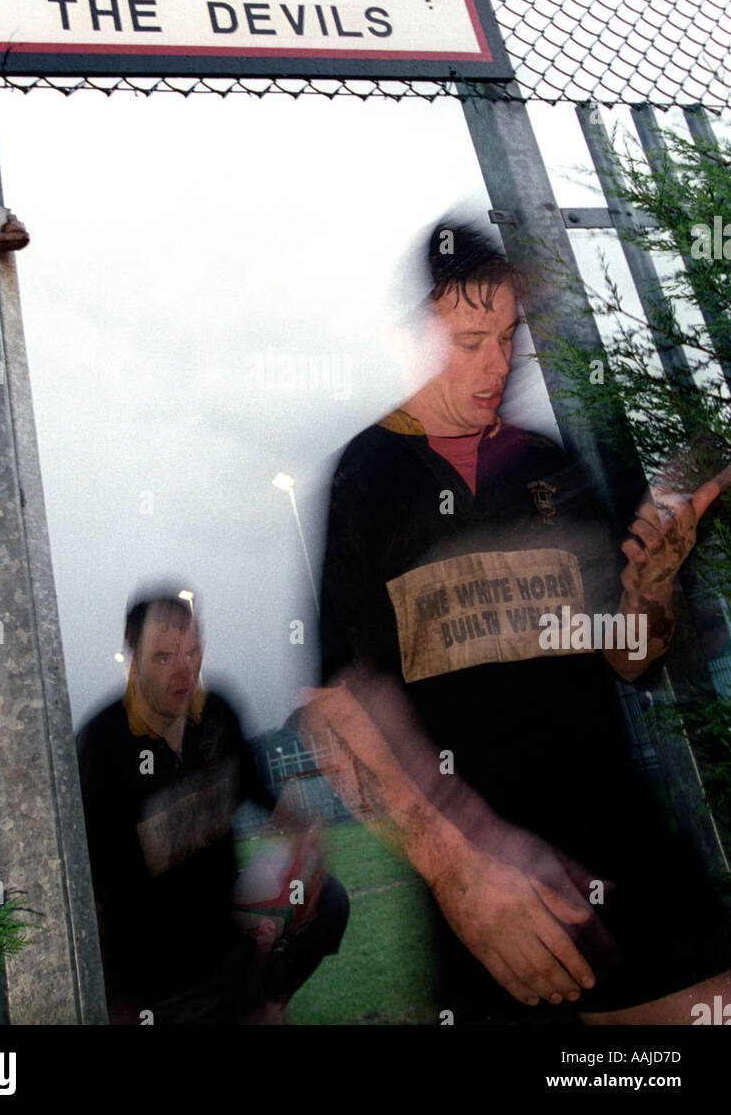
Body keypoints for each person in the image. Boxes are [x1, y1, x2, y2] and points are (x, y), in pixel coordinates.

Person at [304, 220, 731, 1025]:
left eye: (509, 336)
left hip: (626, 856)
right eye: (471, 340)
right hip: (494, 901)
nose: (498, 365)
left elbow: (631, 658)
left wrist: (653, 590)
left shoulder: (548, 467)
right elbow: (344, 704)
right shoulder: (366, 479)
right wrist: (458, 867)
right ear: (415, 340)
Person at [76, 588, 348, 1024]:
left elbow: (256, 789)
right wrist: (119, 998)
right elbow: (96, 886)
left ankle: (268, 1002)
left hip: (228, 948)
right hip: (159, 980)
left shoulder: (216, 712)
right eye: (164, 657)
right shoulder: (105, 744)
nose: (183, 670)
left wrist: (306, 835)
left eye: (192, 652)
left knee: (330, 899)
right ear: (132, 648)